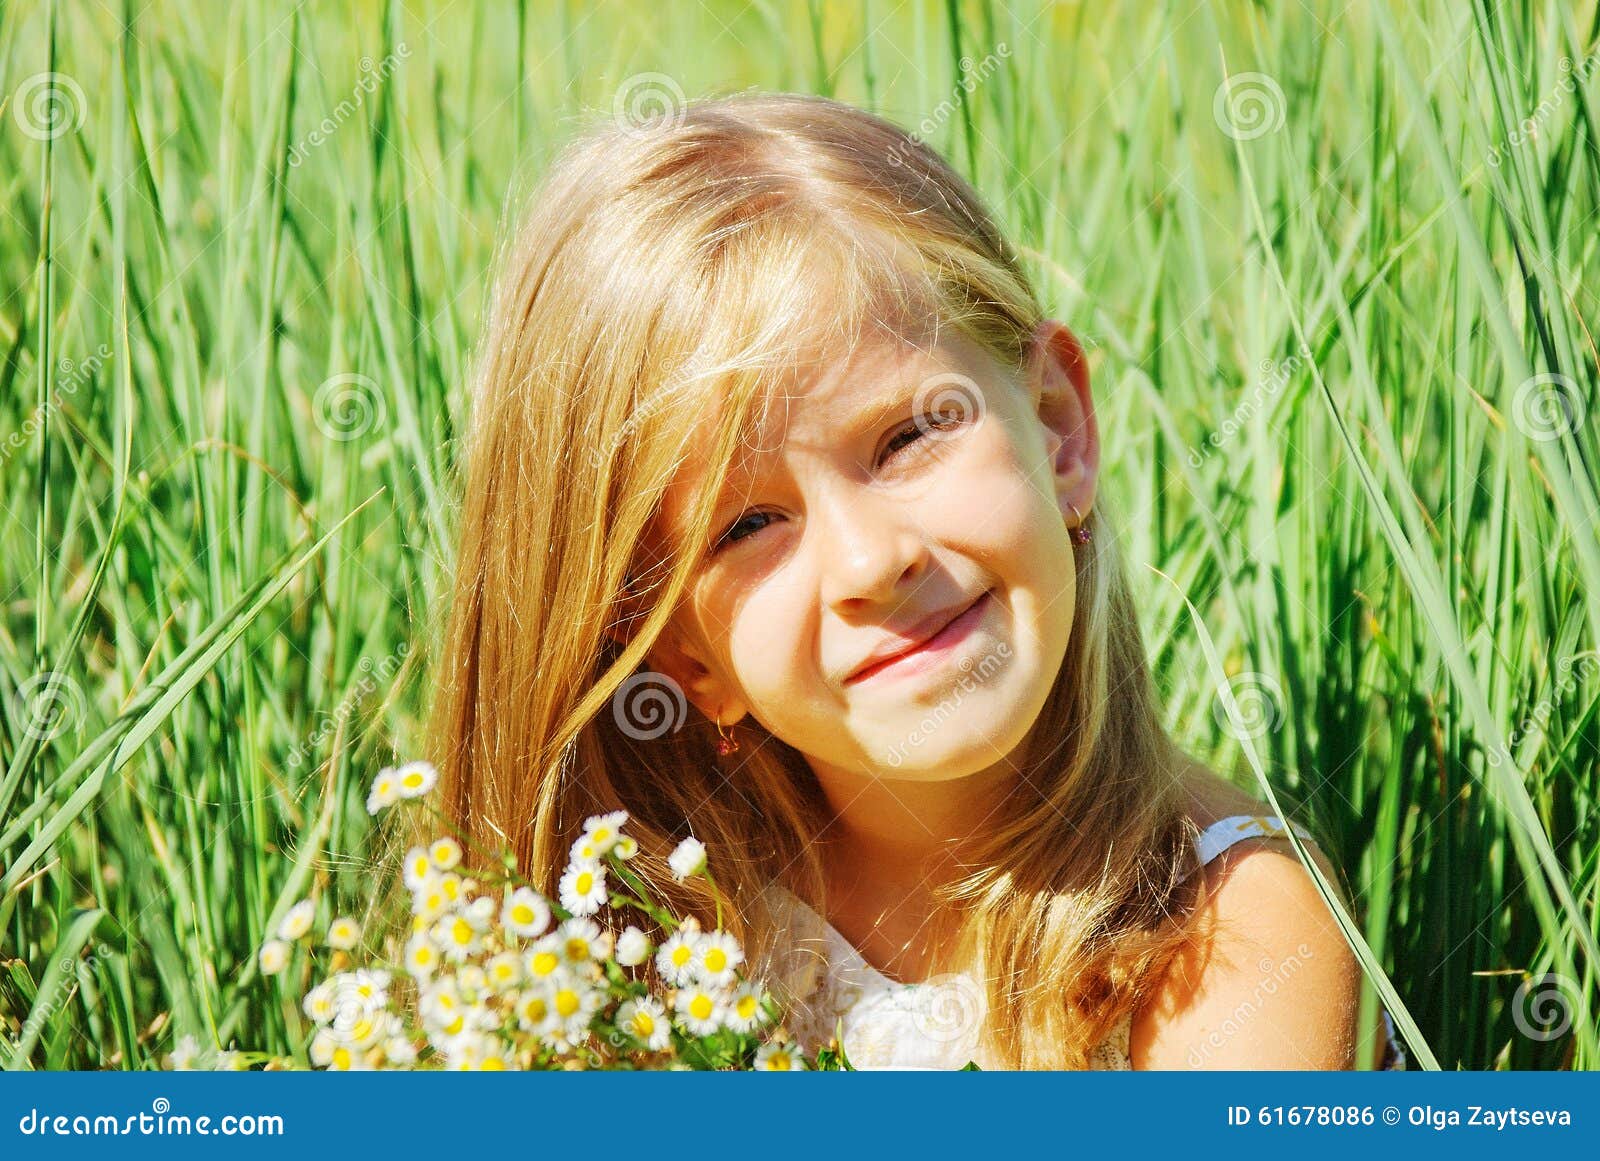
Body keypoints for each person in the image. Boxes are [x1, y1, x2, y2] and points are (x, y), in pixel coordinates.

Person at [427, 89, 1405, 1070]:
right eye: (749, 525)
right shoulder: (643, 938)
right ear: (683, 655)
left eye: (905, 438)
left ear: (1057, 429)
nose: (871, 562)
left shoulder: (1234, 942)